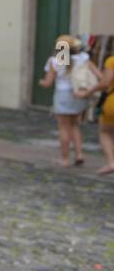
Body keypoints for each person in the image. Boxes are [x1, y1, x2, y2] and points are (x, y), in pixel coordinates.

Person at [38, 34, 96, 167]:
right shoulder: (83, 58)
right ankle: (79, 154)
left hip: (62, 95)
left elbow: (48, 83)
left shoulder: (55, 60)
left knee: (63, 127)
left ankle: (65, 159)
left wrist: (41, 82)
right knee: (75, 125)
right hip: (79, 94)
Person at [91, 53, 114, 176]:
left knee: (105, 132)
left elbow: (105, 83)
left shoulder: (112, 60)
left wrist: (90, 91)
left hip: (112, 103)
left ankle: (111, 163)